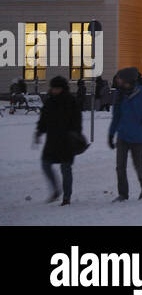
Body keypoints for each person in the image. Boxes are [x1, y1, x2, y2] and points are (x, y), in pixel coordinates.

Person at [108, 67, 142, 201]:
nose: (117, 81)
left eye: (119, 78)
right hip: (122, 136)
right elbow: (116, 117)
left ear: (127, 80)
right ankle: (123, 194)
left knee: (138, 165)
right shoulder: (119, 95)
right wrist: (111, 134)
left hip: (138, 137)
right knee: (120, 167)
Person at [35, 75, 82, 205]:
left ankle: (67, 197)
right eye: (53, 88)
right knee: (45, 164)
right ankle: (56, 189)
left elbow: (77, 120)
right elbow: (44, 119)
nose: (54, 90)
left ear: (62, 88)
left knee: (65, 168)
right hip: (52, 140)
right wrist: (39, 131)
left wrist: (75, 134)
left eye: (57, 88)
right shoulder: (49, 101)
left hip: (67, 141)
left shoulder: (71, 101)